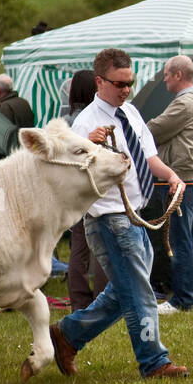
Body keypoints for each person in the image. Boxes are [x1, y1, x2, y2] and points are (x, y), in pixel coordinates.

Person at [51, 48, 190, 380]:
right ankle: (154, 361)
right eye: (119, 84)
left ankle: (67, 335)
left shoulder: (131, 113)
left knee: (123, 291)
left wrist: (171, 176)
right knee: (139, 290)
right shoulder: (86, 124)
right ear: (100, 81)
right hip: (109, 218)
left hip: (136, 216)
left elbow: (148, 157)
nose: (126, 89)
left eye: (130, 82)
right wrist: (89, 144)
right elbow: (70, 171)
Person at [146, 55, 193, 314]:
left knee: (180, 241)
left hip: (181, 180)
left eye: (166, 74)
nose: (163, 79)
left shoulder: (184, 104)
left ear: (177, 75)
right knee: (192, 239)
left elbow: (153, 129)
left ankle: (182, 300)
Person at [62, 68, 108, 311]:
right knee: (101, 247)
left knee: (78, 249)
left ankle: (80, 303)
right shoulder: (90, 120)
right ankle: (101, 302)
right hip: (92, 191)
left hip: (76, 194)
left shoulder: (66, 121)